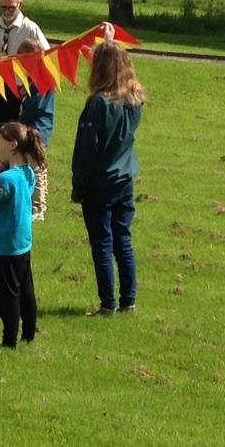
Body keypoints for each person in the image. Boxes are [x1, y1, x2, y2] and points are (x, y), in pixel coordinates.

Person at [75, 36, 147, 316]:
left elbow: (87, 150)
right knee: (123, 240)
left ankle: (108, 304)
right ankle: (129, 301)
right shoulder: (135, 99)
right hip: (124, 180)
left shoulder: (99, 104)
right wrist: (108, 42)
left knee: (103, 244)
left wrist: (79, 186)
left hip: (100, 183)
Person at [0, 122, 44, 347]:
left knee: (5, 296)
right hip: (23, 242)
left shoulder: (5, 180)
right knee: (26, 290)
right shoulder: (28, 173)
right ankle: (28, 334)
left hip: (5, 245)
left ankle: (9, 340)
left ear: (13, 145)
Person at [0, 0, 48, 133]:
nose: (7, 11)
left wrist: (30, 84)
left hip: (21, 91)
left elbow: (46, 58)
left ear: (20, 5)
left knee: (19, 134)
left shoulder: (30, 29)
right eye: (3, 7)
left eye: (11, 7)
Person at [14, 39, 56, 221]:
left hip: (38, 130)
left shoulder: (43, 79)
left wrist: (19, 123)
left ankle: (37, 207)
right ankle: (37, 205)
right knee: (37, 166)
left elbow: (36, 106)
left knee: (36, 168)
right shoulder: (33, 78)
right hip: (33, 128)